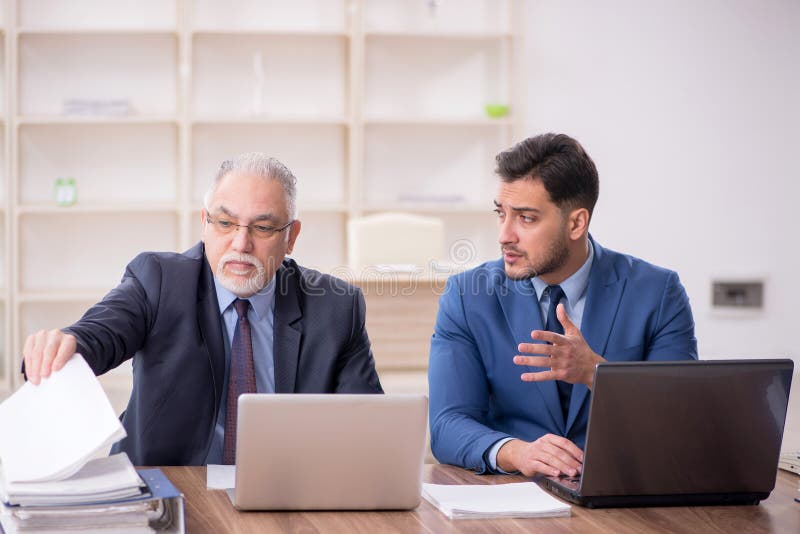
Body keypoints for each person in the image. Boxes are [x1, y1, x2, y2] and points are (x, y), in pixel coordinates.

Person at [23, 152, 383, 466]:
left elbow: (373, 432)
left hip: (284, 495)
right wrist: (70, 342)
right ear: (204, 224)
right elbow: (103, 332)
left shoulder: (336, 307)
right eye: (225, 223)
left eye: (262, 227)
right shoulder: (159, 280)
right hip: (168, 491)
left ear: (291, 237)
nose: (241, 244)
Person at [428, 133, 697, 476]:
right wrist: (516, 453)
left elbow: (680, 422)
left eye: (526, 218)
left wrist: (597, 374)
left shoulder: (658, 293)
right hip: (511, 500)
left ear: (576, 223)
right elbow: (447, 425)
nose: (504, 235)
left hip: (625, 493)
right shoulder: (467, 296)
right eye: (501, 214)